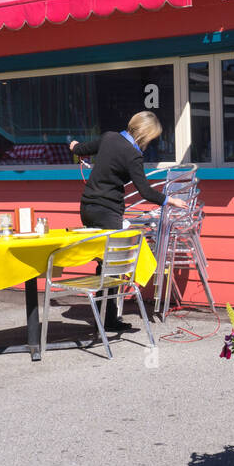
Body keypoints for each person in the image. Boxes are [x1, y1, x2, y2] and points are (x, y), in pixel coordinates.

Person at [68, 111, 186, 332]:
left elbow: (81, 149)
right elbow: (145, 191)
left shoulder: (109, 137)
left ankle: (106, 317)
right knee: (113, 266)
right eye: (152, 138)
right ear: (145, 134)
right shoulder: (133, 155)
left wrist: (74, 146)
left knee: (105, 264)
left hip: (87, 209)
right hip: (107, 212)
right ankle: (107, 321)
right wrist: (170, 200)